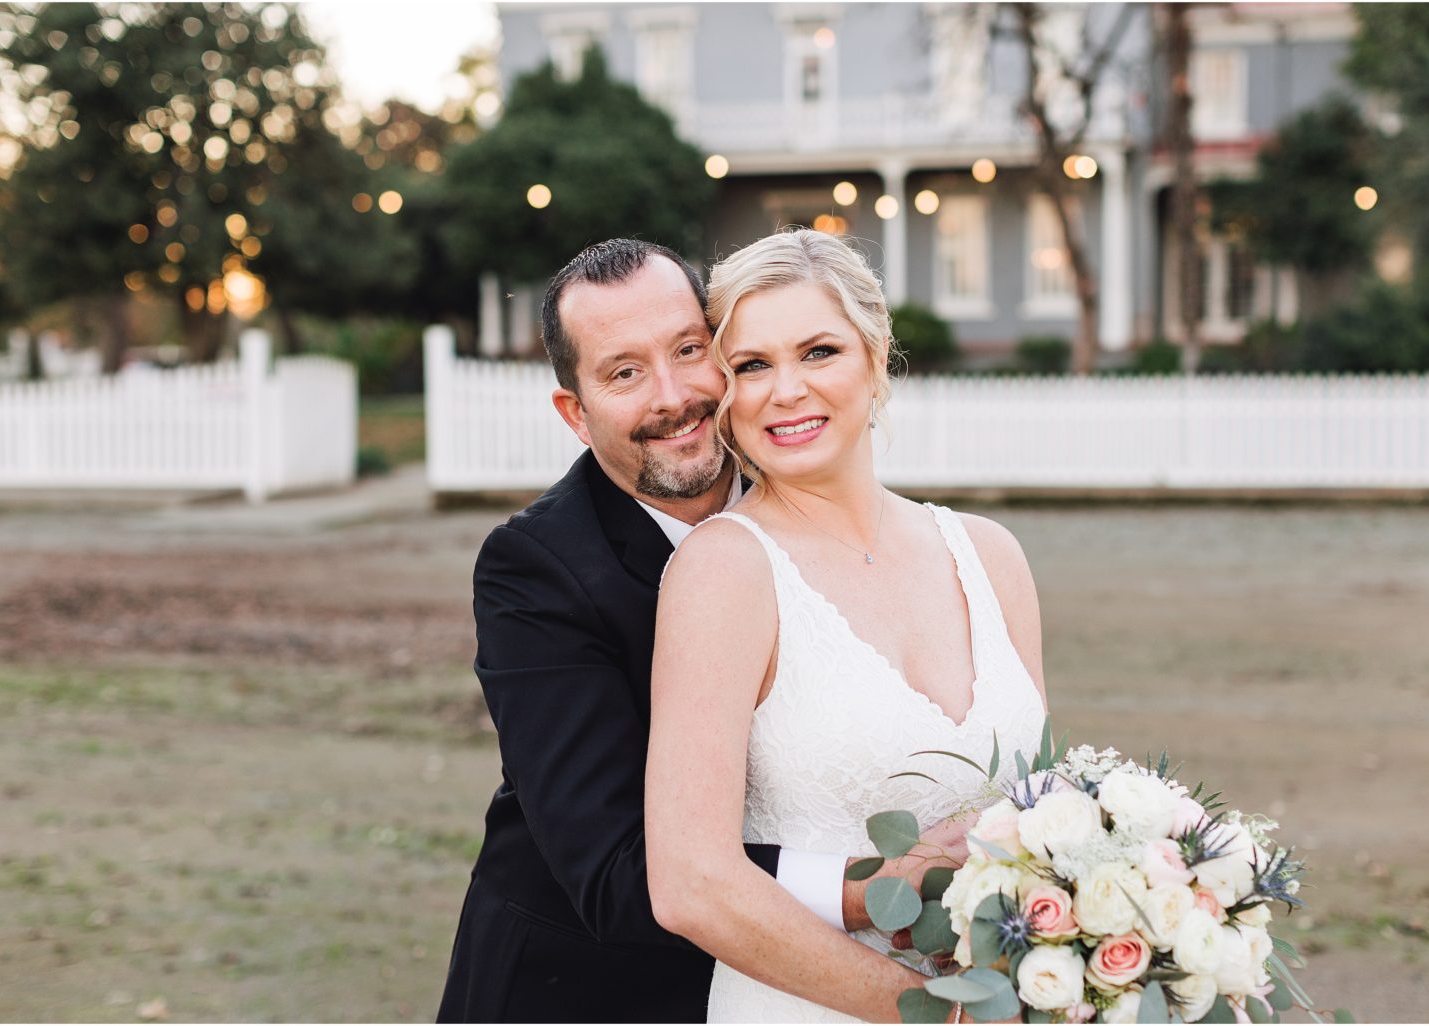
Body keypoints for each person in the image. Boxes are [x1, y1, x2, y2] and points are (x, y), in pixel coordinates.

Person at [437, 239, 971, 1023]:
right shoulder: (535, 570)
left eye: (690, 350)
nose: (674, 396)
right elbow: (618, 871)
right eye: (624, 373)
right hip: (586, 993)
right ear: (576, 414)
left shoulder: (815, 508)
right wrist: (875, 888)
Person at [644, 229, 1050, 1022]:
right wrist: (939, 1014)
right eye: (751, 366)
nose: (786, 390)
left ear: (876, 356)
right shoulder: (724, 571)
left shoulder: (990, 555)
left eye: (819, 352)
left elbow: (1037, 810)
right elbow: (693, 886)